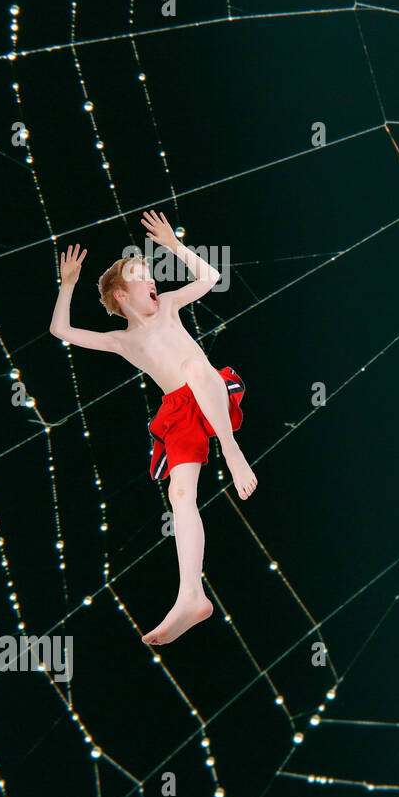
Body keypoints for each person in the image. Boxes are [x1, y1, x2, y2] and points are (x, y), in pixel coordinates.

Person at [48, 210, 257, 645]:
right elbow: (59, 329)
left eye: (150, 273)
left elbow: (210, 277)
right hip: (179, 413)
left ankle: (232, 451)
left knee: (196, 367)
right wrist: (67, 284)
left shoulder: (172, 307)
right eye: (141, 276)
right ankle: (189, 596)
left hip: (209, 393)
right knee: (180, 496)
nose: (152, 281)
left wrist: (173, 246)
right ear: (121, 296)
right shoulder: (123, 340)